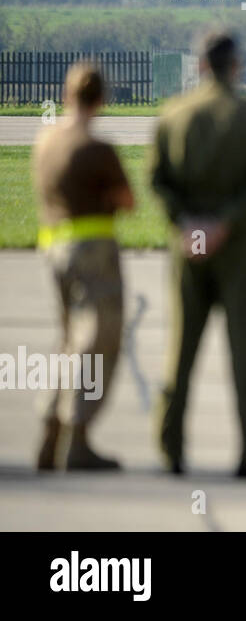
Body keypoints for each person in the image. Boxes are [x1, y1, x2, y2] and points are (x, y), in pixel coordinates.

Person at [151, 30, 246, 477]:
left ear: (200, 65)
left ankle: (170, 450)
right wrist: (223, 223)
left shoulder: (172, 115)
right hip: (239, 246)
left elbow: (158, 181)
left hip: (188, 247)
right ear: (236, 65)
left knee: (180, 352)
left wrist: (188, 225)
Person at [32, 61, 134, 471]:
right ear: (102, 99)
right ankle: (78, 437)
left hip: (52, 248)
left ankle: (50, 428)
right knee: (97, 344)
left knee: (68, 341)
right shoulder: (97, 149)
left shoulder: (44, 141)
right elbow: (128, 200)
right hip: (92, 250)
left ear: (66, 94)